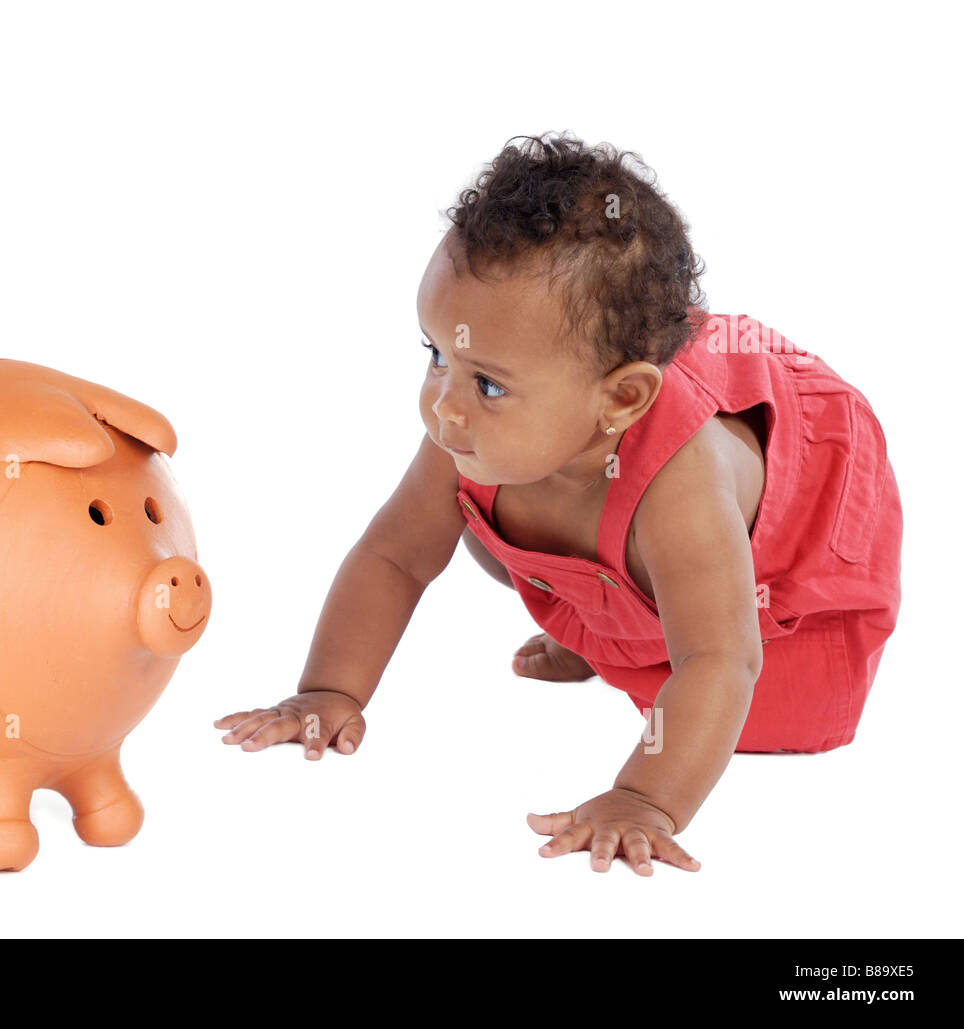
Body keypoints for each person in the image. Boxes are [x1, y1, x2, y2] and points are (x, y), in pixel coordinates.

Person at [214, 132, 902, 876]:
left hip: (781, 573)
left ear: (622, 397)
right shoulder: (469, 429)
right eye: (438, 353)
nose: (443, 407)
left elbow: (721, 657)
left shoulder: (683, 482)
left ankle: (626, 629)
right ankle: (606, 626)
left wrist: (646, 798)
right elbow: (394, 555)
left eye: (488, 383)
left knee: (765, 707)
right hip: (616, 537)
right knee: (476, 517)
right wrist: (328, 688)